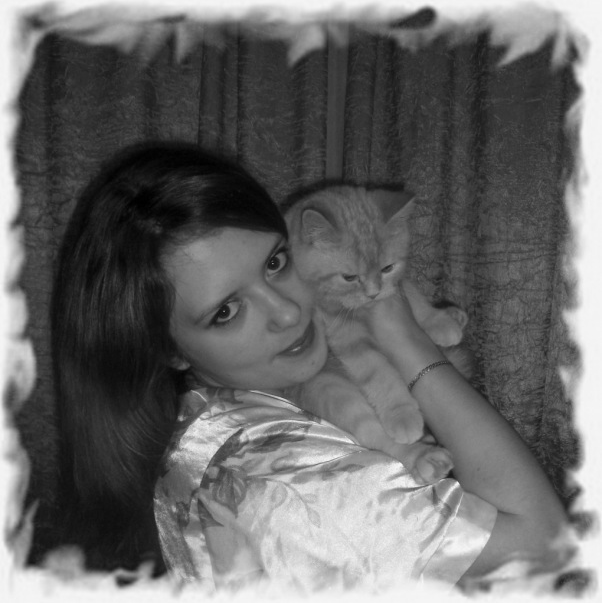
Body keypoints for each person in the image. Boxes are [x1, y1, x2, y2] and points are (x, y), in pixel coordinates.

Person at [51, 140, 571, 593]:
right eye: (226, 311)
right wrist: (408, 339)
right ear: (169, 350)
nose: (287, 312)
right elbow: (545, 547)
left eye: (275, 262)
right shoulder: (291, 486)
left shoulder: (208, 418)